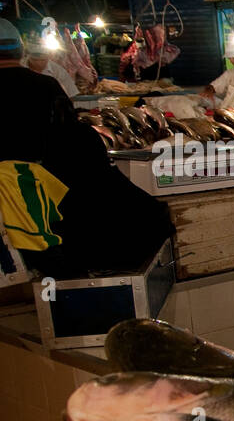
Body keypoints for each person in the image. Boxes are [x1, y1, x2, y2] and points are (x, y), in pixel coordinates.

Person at [0, 19, 172, 279]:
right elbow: (72, 139)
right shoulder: (45, 86)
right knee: (149, 217)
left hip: (22, 210)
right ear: (20, 51)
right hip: (54, 202)